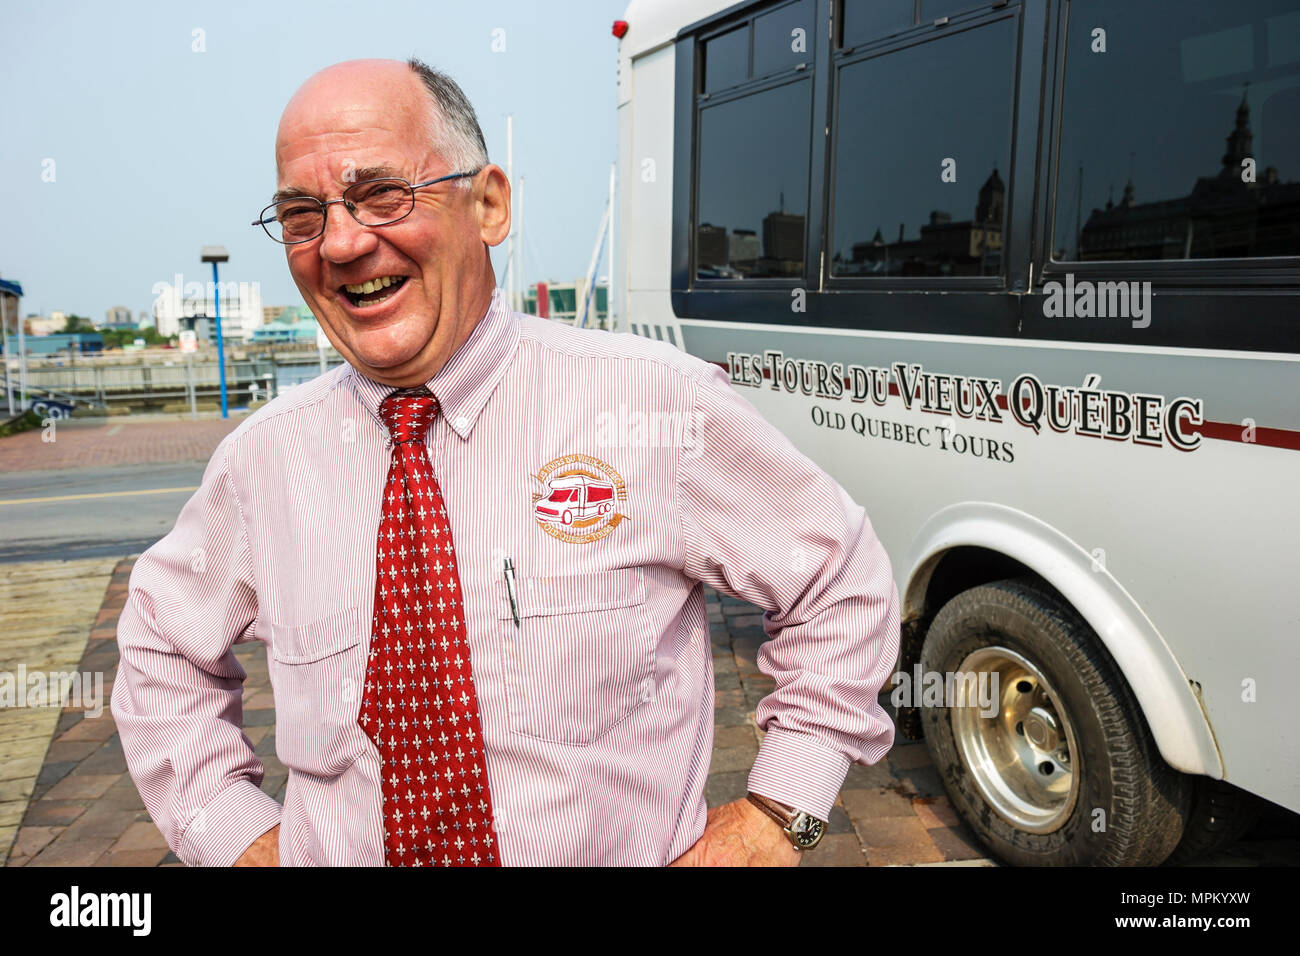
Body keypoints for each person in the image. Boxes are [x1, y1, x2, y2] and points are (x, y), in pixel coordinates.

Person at [110, 57, 900, 867]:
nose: (342, 242)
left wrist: (779, 813)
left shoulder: (652, 404)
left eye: (382, 194)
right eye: (303, 214)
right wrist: (235, 835)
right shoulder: (262, 462)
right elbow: (161, 652)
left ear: (487, 204)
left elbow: (837, 580)